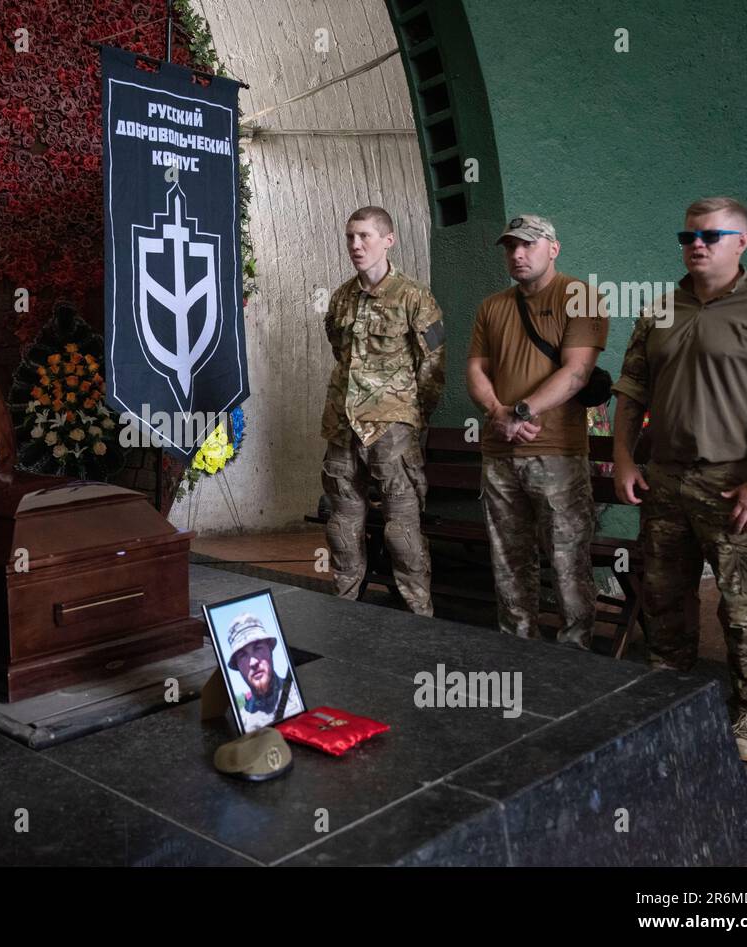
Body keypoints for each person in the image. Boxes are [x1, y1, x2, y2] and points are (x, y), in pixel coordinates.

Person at [612, 196, 747, 763]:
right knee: (662, 597)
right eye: (688, 236)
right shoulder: (659, 309)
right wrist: (626, 462)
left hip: (735, 487)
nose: (696, 244)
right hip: (665, 484)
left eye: (711, 235)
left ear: (742, 241)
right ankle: (668, 692)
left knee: (743, 606)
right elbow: (630, 394)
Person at [466, 214, 608, 649]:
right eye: (511, 246)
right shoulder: (493, 306)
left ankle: (575, 651)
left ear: (554, 248)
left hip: (556, 455)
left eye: (528, 244)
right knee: (509, 560)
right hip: (500, 453)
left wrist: (521, 411)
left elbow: (578, 372)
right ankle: (519, 645)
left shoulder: (579, 296)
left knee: (567, 561)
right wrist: (496, 410)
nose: (518, 254)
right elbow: (475, 368)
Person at [320, 205, 445, 614]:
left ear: (388, 240)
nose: (356, 245)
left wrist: (409, 416)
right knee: (342, 524)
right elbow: (340, 352)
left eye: (365, 236)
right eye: (350, 237)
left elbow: (433, 366)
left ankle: (418, 612)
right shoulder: (341, 298)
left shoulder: (414, 296)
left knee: (401, 529)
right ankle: (345, 608)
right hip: (342, 426)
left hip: (392, 429)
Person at [224, 614, 303, 732]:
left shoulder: (300, 695)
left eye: (258, 648)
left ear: (270, 650)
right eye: (242, 655)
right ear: (237, 666)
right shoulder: (242, 722)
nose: (253, 662)